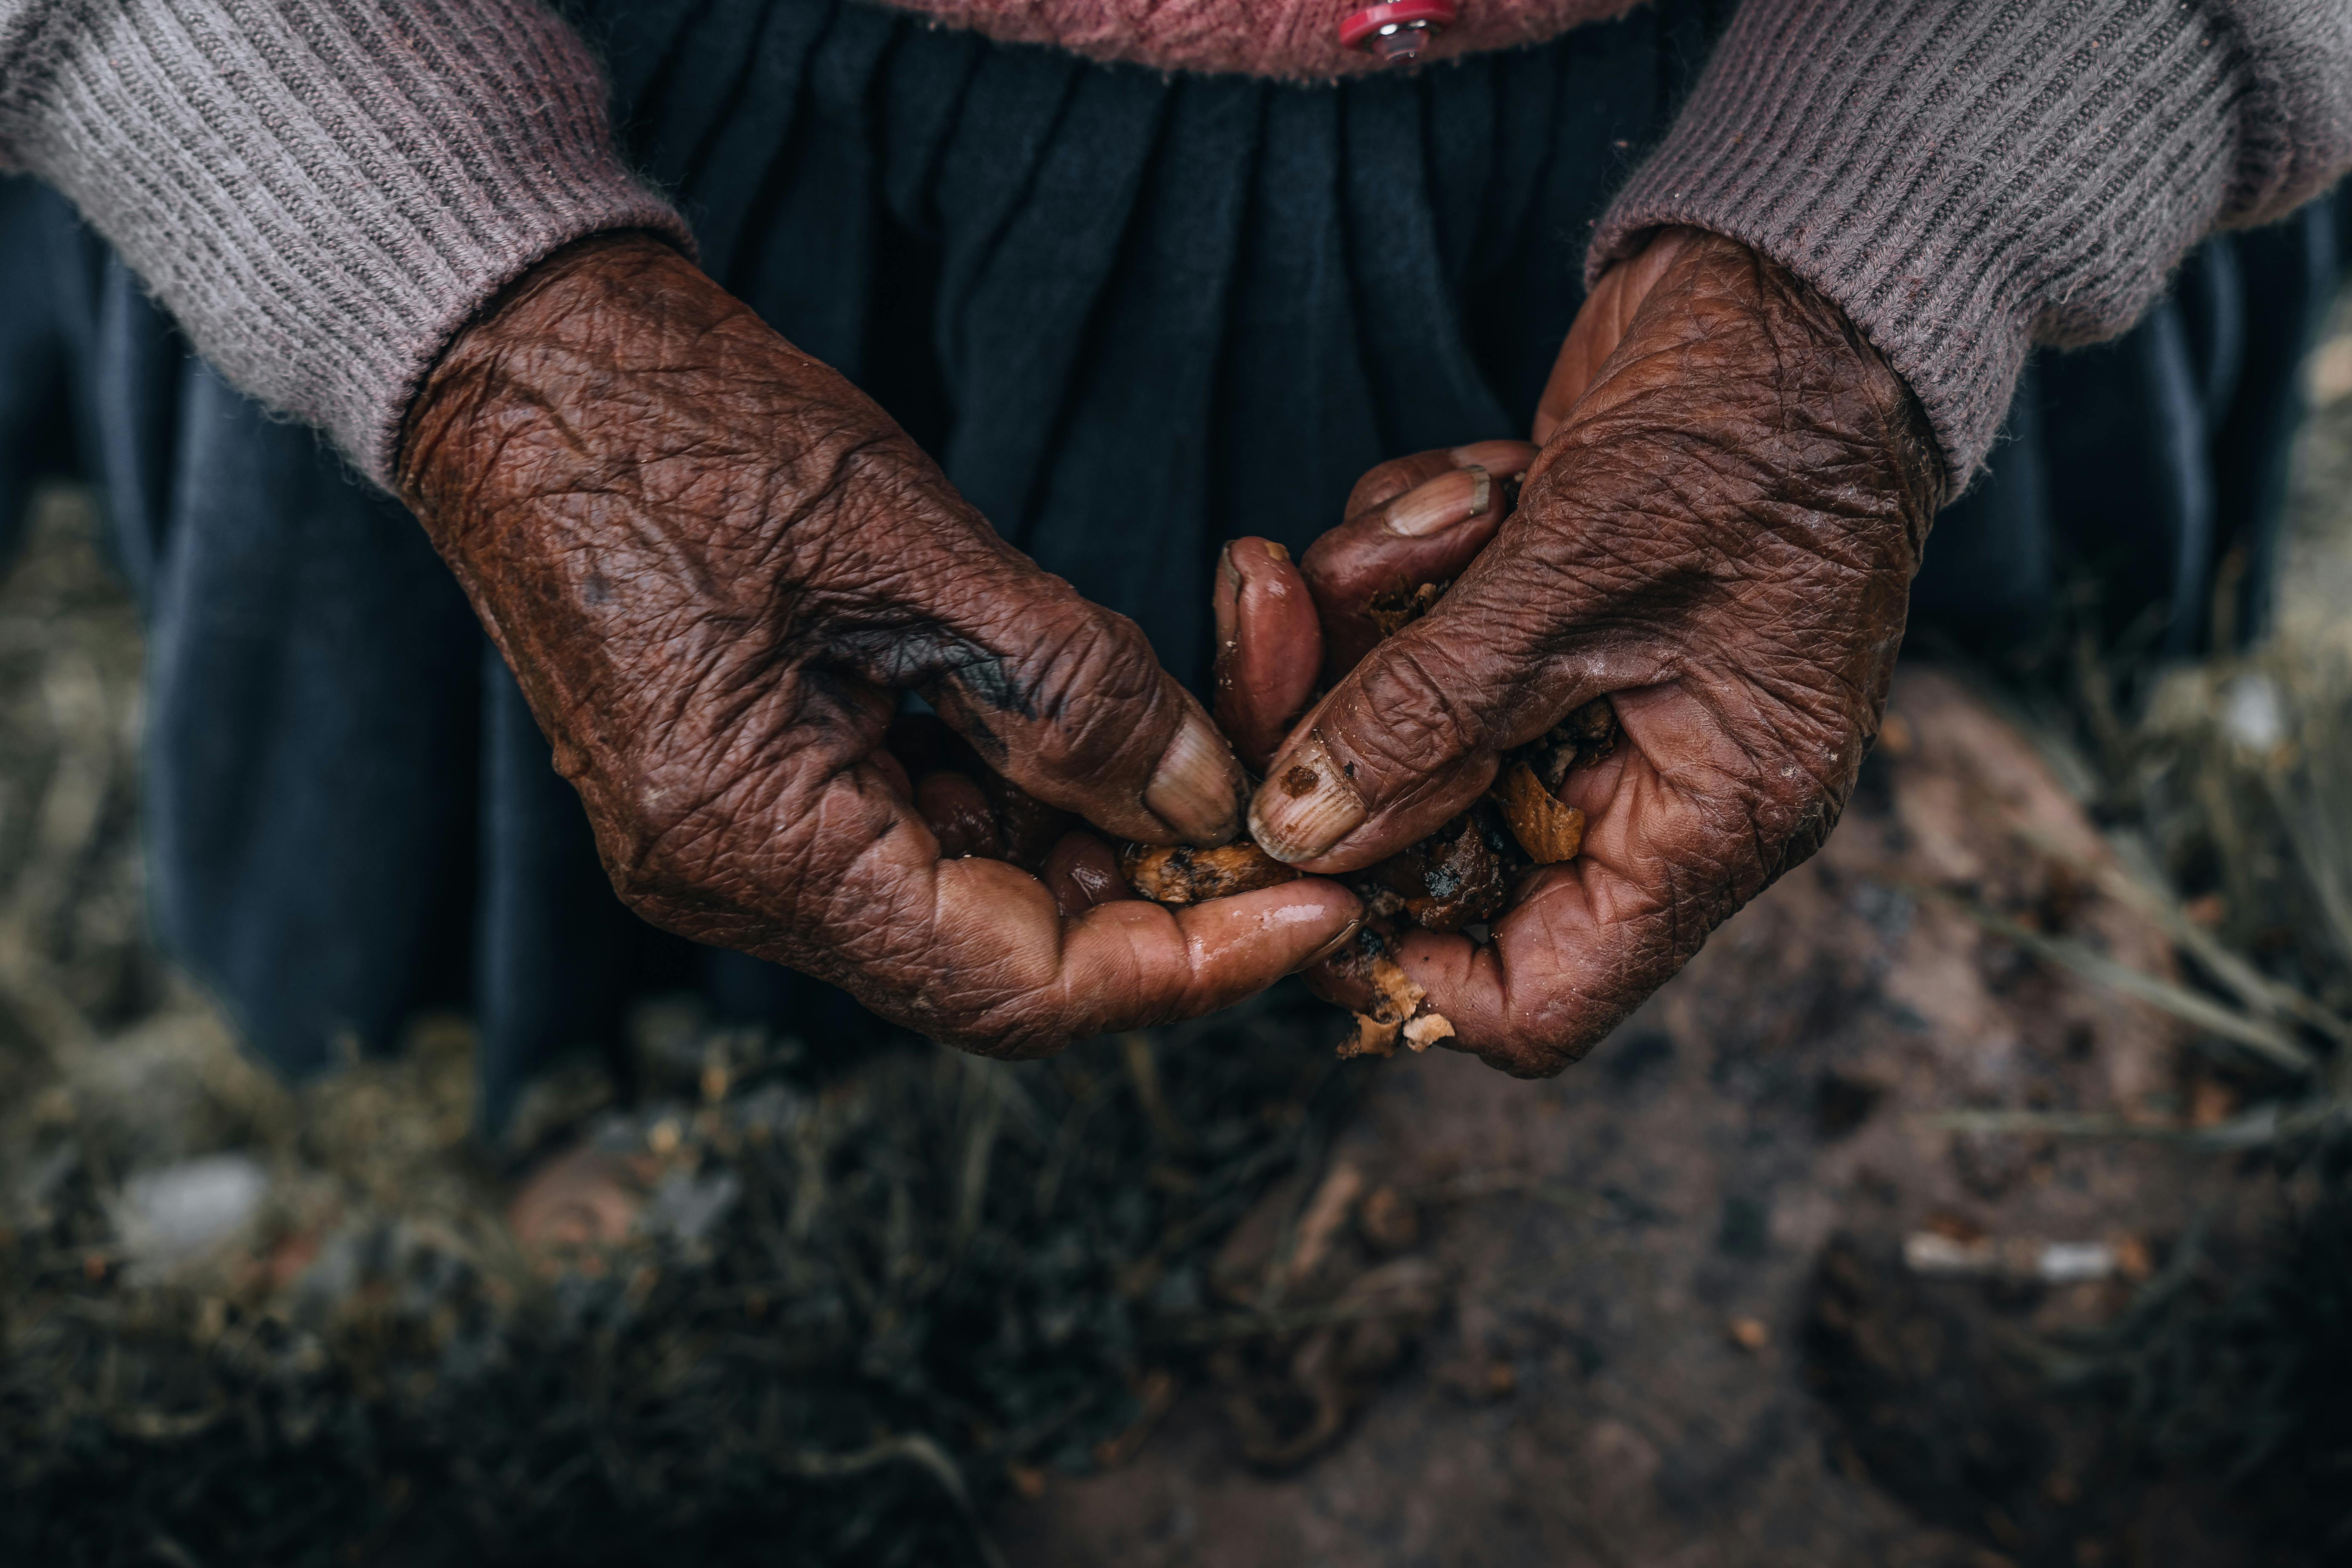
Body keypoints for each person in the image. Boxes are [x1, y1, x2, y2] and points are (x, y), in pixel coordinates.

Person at [0, 0, 2345, 1134]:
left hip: (1826, 87)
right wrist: (389, 224)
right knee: (636, 1042)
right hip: (570, 121)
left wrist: (1955, 171)